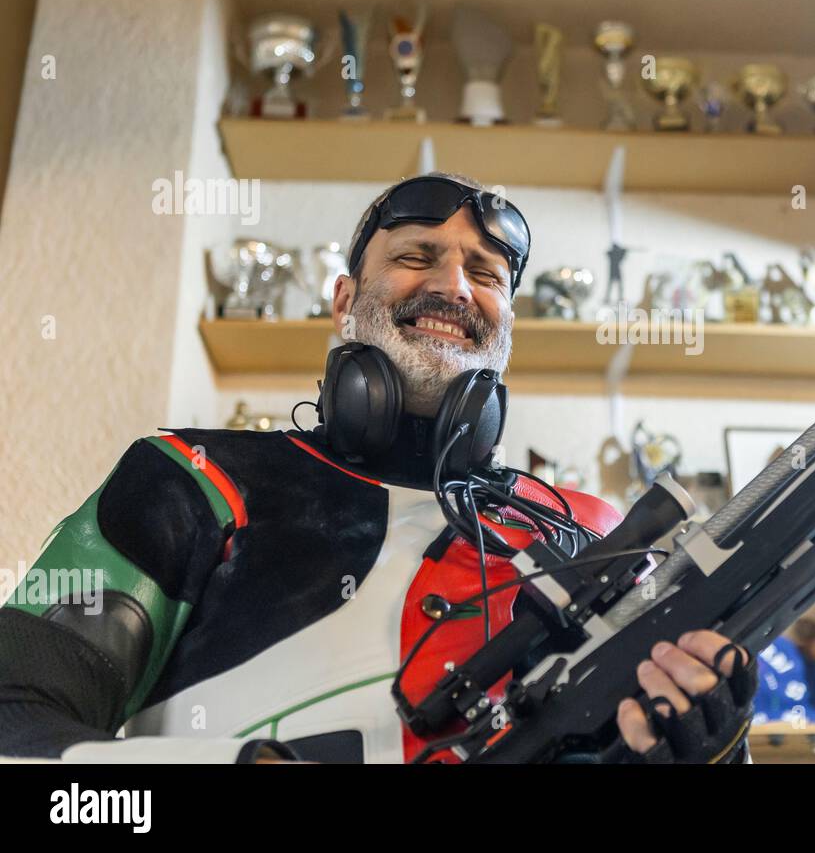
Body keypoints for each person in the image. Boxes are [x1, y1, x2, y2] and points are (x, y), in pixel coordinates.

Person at [0, 173, 755, 763]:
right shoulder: (189, 480)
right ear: (343, 301)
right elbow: (14, 717)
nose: (455, 287)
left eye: (486, 273)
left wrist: (714, 750)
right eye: (415, 256)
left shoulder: (594, 531)